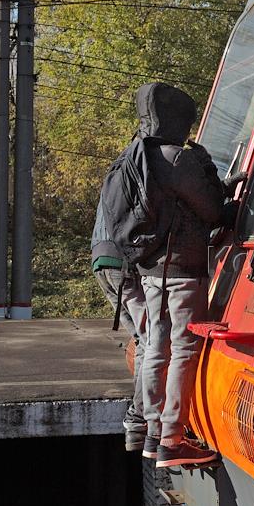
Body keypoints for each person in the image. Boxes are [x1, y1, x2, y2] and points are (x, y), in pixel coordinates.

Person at [132, 82, 226, 468]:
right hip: (182, 268)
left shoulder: (140, 157)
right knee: (184, 346)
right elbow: (213, 211)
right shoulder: (178, 160)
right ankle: (173, 436)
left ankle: (154, 433)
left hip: (150, 268)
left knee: (156, 347)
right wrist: (209, 170)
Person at [91, 181, 149, 453]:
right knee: (150, 341)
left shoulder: (117, 178)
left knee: (140, 337)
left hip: (100, 260)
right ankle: (138, 415)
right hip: (121, 263)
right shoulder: (143, 174)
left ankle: (138, 418)